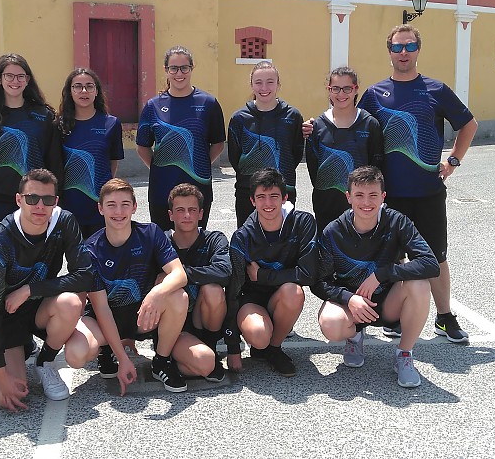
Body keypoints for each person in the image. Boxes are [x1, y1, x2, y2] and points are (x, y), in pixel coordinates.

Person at [357, 24, 478, 343]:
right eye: (397, 47)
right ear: (389, 52)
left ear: (418, 50)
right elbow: (354, 127)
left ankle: (444, 317)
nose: (403, 53)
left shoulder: (435, 89)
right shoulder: (374, 93)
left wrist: (453, 161)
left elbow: (468, 124)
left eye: (409, 46)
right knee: (392, 258)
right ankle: (395, 315)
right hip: (390, 194)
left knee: (436, 257)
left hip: (428, 192)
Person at [0, 169, 99, 409]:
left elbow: (85, 276)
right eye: (32, 198)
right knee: (9, 395)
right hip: (7, 317)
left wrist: (29, 290)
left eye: (48, 200)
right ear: (19, 199)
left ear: (56, 201)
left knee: (73, 305)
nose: (39, 206)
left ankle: (44, 361)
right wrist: (0, 370)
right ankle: (18, 347)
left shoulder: (64, 221)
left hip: (40, 307)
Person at [312, 166, 439, 388]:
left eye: (373, 195)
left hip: (389, 303)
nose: (366, 202)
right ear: (348, 197)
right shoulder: (333, 231)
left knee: (419, 284)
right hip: (352, 306)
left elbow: (430, 263)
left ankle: (404, 354)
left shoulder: (397, 222)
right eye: (359, 195)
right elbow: (318, 281)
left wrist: (383, 274)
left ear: (383, 196)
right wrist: (348, 298)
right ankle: (355, 337)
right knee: (331, 324)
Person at [82, 178, 212, 394]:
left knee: (178, 296)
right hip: (106, 317)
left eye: (125, 204)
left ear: (134, 207)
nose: (118, 211)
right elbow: (101, 308)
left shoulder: (150, 233)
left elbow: (179, 274)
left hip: (142, 316)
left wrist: (156, 293)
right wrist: (123, 359)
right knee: (77, 353)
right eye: (111, 205)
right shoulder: (90, 249)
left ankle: (161, 361)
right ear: (100, 208)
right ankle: (107, 349)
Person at [225, 168, 319, 377]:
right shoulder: (242, 237)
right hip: (252, 301)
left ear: (285, 198)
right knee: (259, 335)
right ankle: (262, 345)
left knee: (294, 292)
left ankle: (273, 348)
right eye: (261, 197)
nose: (268, 204)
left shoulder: (303, 223)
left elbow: (309, 274)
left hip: (282, 297)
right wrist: (232, 346)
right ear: (252, 201)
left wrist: (264, 276)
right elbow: (232, 291)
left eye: (274, 196)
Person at [0, 53, 63, 235]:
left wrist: (53, 205)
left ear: (27, 80)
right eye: (9, 76)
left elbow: (54, 163)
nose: (15, 81)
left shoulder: (43, 116)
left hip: (36, 203)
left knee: (33, 261)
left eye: (20, 76)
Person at [136, 46, 225, 232]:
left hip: (198, 186)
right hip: (162, 189)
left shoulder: (208, 103)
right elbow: (143, 146)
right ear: (166, 70)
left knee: (196, 243)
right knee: (163, 246)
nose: (179, 73)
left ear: (191, 69)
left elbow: (218, 142)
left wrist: (200, 163)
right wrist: (159, 168)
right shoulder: (153, 106)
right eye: (174, 68)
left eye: (184, 68)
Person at [305, 66, 384, 236]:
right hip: (326, 206)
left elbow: (377, 166)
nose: (341, 94)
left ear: (356, 90)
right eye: (336, 88)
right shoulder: (317, 126)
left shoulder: (370, 124)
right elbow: (314, 170)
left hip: (362, 207)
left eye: (347, 88)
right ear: (329, 90)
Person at [166, 183, 231, 383]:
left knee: (213, 289)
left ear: (201, 214)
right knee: (203, 365)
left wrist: (180, 274)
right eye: (180, 210)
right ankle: (166, 357)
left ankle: (209, 345)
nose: (187, 215)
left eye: (192, 210)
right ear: (171, 215)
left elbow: (225, 272)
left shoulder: (214, 239)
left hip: (201, 320)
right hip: (173, 326)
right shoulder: (162, 242)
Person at [227, 61, 304, 228]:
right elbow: (235, 157)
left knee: (284, 243)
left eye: (270, 82)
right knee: (249, 243)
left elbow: (295, 153)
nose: (264, 88)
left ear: (278, 84)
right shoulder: (240, 118)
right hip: (248, 193)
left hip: (284, 191)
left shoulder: (293, 116)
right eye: (258, 82)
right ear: (251, 85)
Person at [57, 68, 124, 238]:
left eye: (89, 86)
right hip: (70, 204)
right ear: (69, 91)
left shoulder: (111, 123)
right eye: (77, 86)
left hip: (100, 204)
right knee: (76, 259)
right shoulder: (59, 125)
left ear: (97, 91)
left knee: (101, 255)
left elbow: (113, 161)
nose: (84, 91)